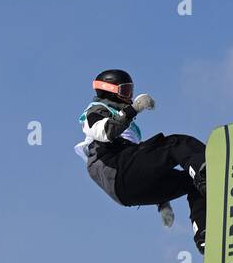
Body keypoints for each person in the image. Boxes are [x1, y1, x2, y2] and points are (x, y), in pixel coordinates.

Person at [75, 69, 208, 252]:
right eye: (125, 92)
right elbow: (105, 132)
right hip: (118, 172)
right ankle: (204, 173)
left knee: (192, 183)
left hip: (128, 191)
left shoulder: (130, 128)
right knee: (177, 143)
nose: (129, 97)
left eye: (130, 91)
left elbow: (145, 167)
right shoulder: (96, 111)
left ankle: (204, 235)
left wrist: (163, 203)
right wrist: (134, 108)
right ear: (110, 90)